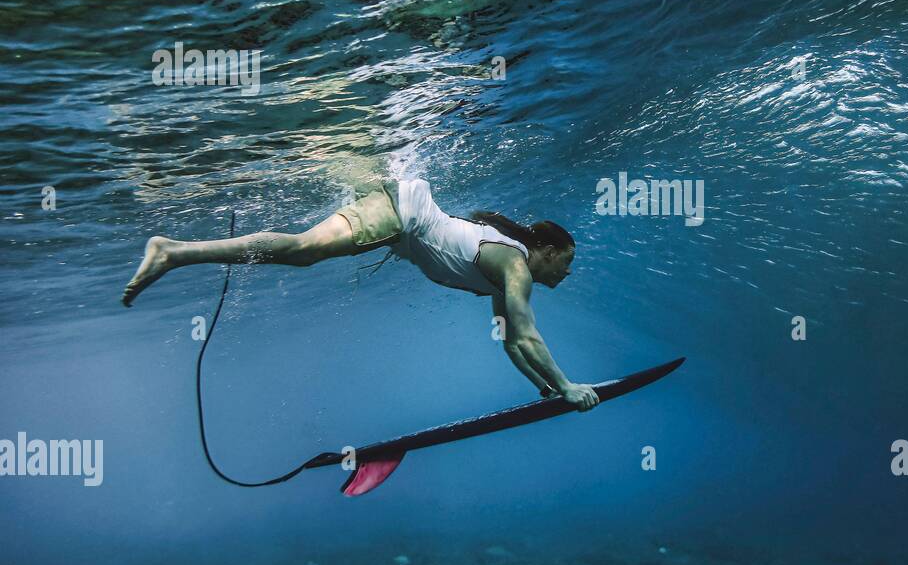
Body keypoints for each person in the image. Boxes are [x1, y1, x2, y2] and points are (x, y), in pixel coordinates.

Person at [121, 179, 600, 409]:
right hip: (399, 214)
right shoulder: (515, 265)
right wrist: (569, 386)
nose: (568, 272)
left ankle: (175, 252)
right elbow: (529, 336)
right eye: (567, 262)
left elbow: (515, 341)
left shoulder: (511, 270)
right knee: (303, 250)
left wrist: (547, 386)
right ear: (546, 249)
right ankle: (173, 251)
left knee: (303, 253)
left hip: (397, 222)